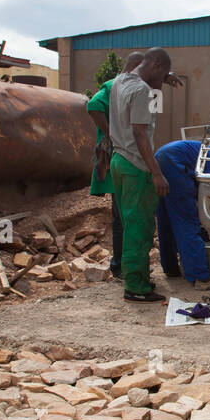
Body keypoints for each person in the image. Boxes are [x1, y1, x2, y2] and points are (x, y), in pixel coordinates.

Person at [109, 47, 173, 303]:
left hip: (118, 160)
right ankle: (136, 287)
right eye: (162, 74)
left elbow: (140, 68)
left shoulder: (119, 81)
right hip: (137, 165)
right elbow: (140, 133)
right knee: (140, 227)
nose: (162, 82)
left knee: (128, 224)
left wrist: (165, 77)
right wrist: (156, 173)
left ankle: (135, 276)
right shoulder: (142, 91)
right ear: (155, 65)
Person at [87, 51, 144, 279]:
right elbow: (93, 105)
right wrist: (112, 133)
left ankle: (123, 264)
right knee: (123, 216)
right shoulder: (115, 86)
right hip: (120, 158)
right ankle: (121, 266)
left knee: (124, 215)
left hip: (125, 157)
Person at [154, 139, 210, 291]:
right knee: (187, 222)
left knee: (166, 219)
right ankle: (202, 277)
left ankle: (170, 267)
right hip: (174, 163)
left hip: (161, 158)